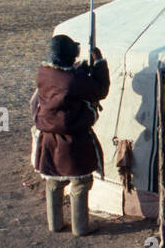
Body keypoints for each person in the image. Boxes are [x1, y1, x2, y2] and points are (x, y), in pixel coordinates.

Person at [30, 34, 109, 235]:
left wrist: (81, 70)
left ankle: (55, 224)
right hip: (73, 139)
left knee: (54, 181)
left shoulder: (44, 73)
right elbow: (99, 90)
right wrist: (99, 64)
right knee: (80, 183)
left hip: (48, 137)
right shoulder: (74, 80)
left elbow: (63, 82)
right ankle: (80, 228)